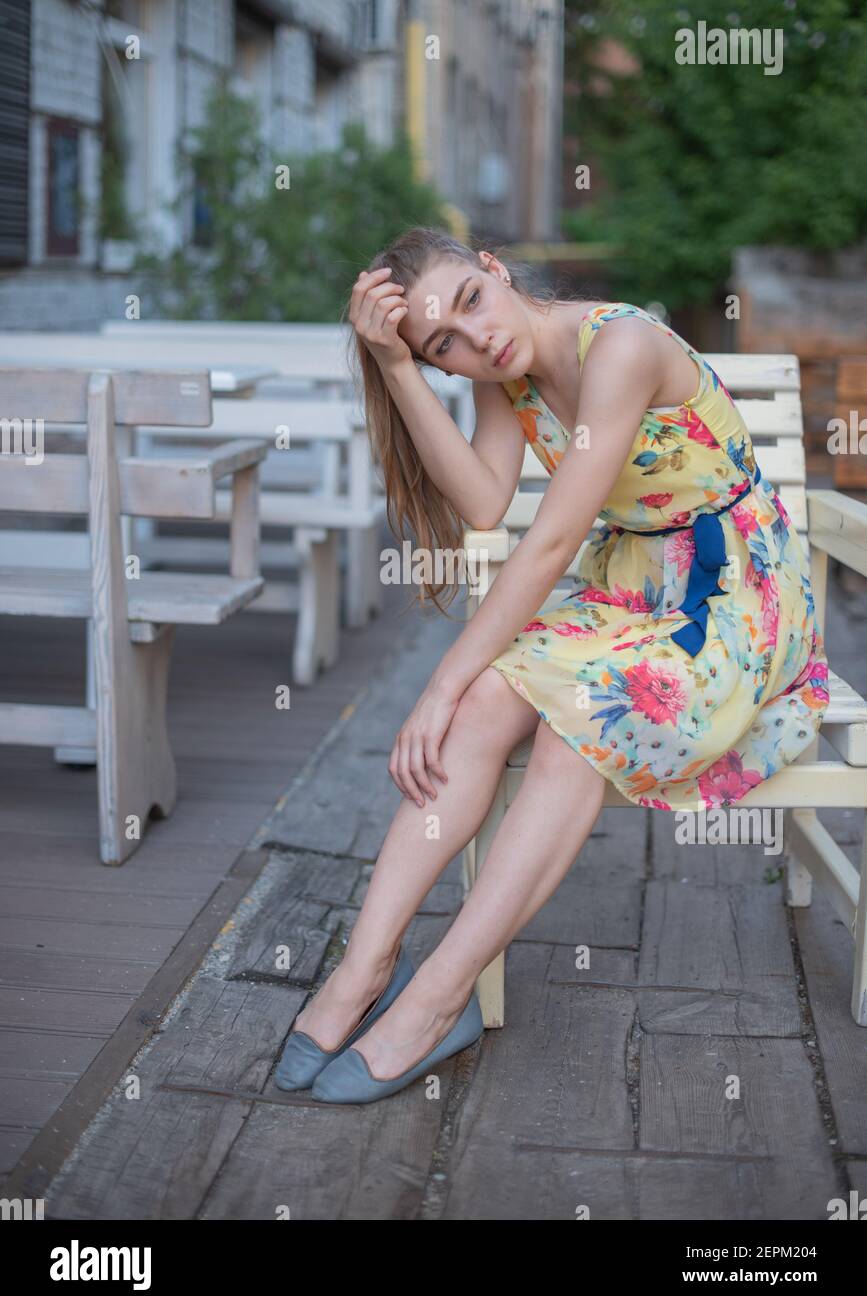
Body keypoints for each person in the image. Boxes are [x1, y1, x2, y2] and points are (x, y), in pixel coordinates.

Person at [276, 226, 829, 1104]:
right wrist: (394, 368)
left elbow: (549, 544)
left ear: (493, 270)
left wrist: (433, 680)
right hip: (630, 587)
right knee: (481, 708)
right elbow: (484, 502)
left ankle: (437, 994)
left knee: (580, 720)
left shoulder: (622, 345)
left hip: (729, 602)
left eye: (470, 300)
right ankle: (362, 970)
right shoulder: (508, 372)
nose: (476, 337)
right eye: (442, 345)